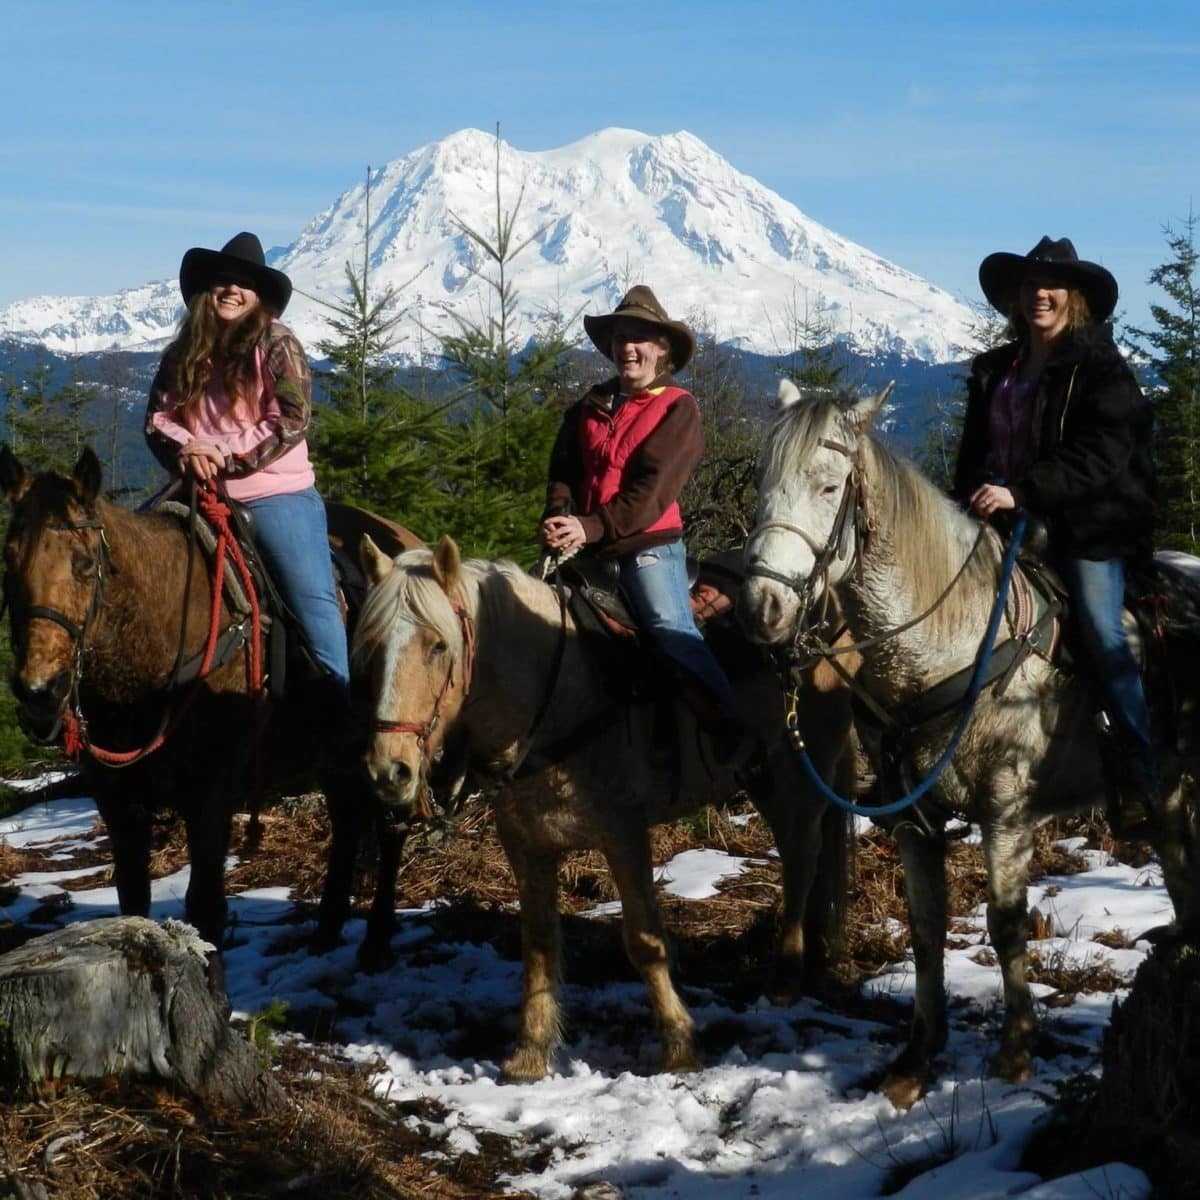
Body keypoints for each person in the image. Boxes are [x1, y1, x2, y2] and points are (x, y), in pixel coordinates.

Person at [952, 235, 1158, 835]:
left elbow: (1105, 452)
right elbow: (975, 453)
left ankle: (1141, 768)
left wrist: (1026, 491)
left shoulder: (1100, 367)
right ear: (1015, 299)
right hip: (1003, 519)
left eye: (1052, 286)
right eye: (1029, 286)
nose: (1039, 295)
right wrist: (963, 499)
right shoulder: (996, 370)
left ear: (1074, 298)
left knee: (1099, 630)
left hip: (1088, 527)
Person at [144, 232, 350, 726]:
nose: (231, 290)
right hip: (195, 486)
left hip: (274, 494)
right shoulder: (183, 353)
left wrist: (222, 456)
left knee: (312, 598)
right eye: (222, 282)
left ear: (259, 297)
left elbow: (291, 419)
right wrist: (187, 449)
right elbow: (157, 418)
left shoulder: (277, 343)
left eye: (244, 284)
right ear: (205, 291)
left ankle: (339, 712)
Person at [540, 285, 747, 760]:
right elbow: (563, 474)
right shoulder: (586, 408)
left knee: (669, 626)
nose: (626, 347)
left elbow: (653, 493)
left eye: (638, 338)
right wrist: (558, 517)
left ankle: (733, 731)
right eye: (619, 338)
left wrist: (589, 527)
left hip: (648, 545)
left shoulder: (677, 408)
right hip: (585, 542)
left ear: (662, 350)